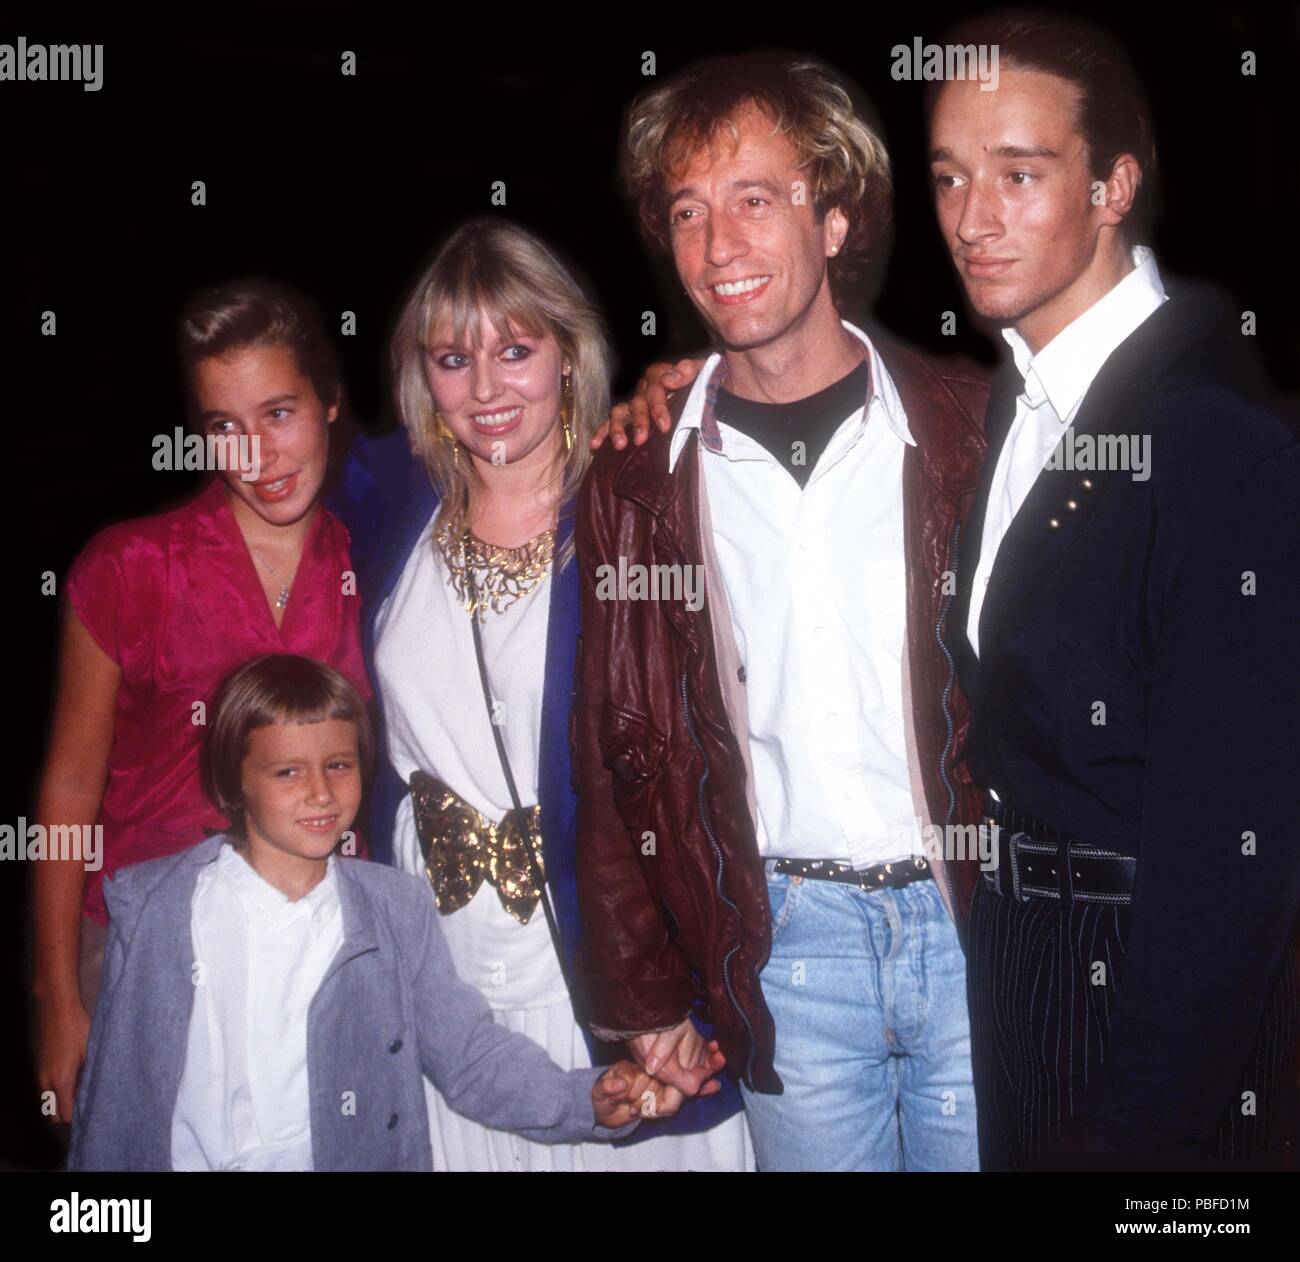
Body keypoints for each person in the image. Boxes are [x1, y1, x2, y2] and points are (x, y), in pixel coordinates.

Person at [574, 52, 991, 1171]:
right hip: (783, 948)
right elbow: (613, 745)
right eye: (688, 212)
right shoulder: (637, 476)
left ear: (836, 217)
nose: (717, 248)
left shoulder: (975, 428)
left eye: (755, 199)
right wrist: (644, 994)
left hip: (975, 932)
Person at [924, 10, 1300, 1169]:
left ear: (1111, 185)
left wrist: (1142, 1124)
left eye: (1018, 175)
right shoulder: (1023, 400)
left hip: (1141, 988)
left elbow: (1235, 845)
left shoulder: (1216, 440)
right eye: (948, 177)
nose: (971, 219)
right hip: (1024, 951)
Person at [332, 216, 751, 1170]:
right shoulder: (390, 492)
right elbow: (271, 459)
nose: (485, 391)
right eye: (452, 358)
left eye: (517, 350)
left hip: (605, 963)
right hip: (445, 979)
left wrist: (681, 992)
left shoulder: (636, 499)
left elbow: (699, 761)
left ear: (568, 354)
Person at [68, 654, 662, 1171]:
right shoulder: (155, 907)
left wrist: (583, 1101)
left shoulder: (394, 911)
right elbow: (112, 1096)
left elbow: (470, 1054)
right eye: (287, 771)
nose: (320, 792)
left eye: (339, 765)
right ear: (233, 780)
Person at [33, 278, 371, 1130]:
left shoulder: (375, 552)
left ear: (330, 404)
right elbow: (69, 792)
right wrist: (57, 996)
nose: (257, 455)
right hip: (145, 952)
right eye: (226, 428)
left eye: (279, 413)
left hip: (319, 948)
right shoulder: (128, 566)